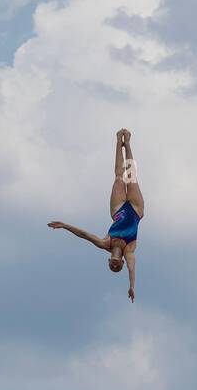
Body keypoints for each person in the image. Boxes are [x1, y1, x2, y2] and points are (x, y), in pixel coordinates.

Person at [48, 128, 145, 302]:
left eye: (112, 267)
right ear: (121, 262)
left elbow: (84, 235)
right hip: (136, 210)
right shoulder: (129, 250)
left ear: (109, 262)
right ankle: (128, 142)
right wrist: (132, 286)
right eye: (118, 267)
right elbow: (132, 269)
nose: (115, 265)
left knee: (118, 178)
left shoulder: (104, 243)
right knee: (131, 176)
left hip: (118, 210)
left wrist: (65, 225)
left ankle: (117, 142)